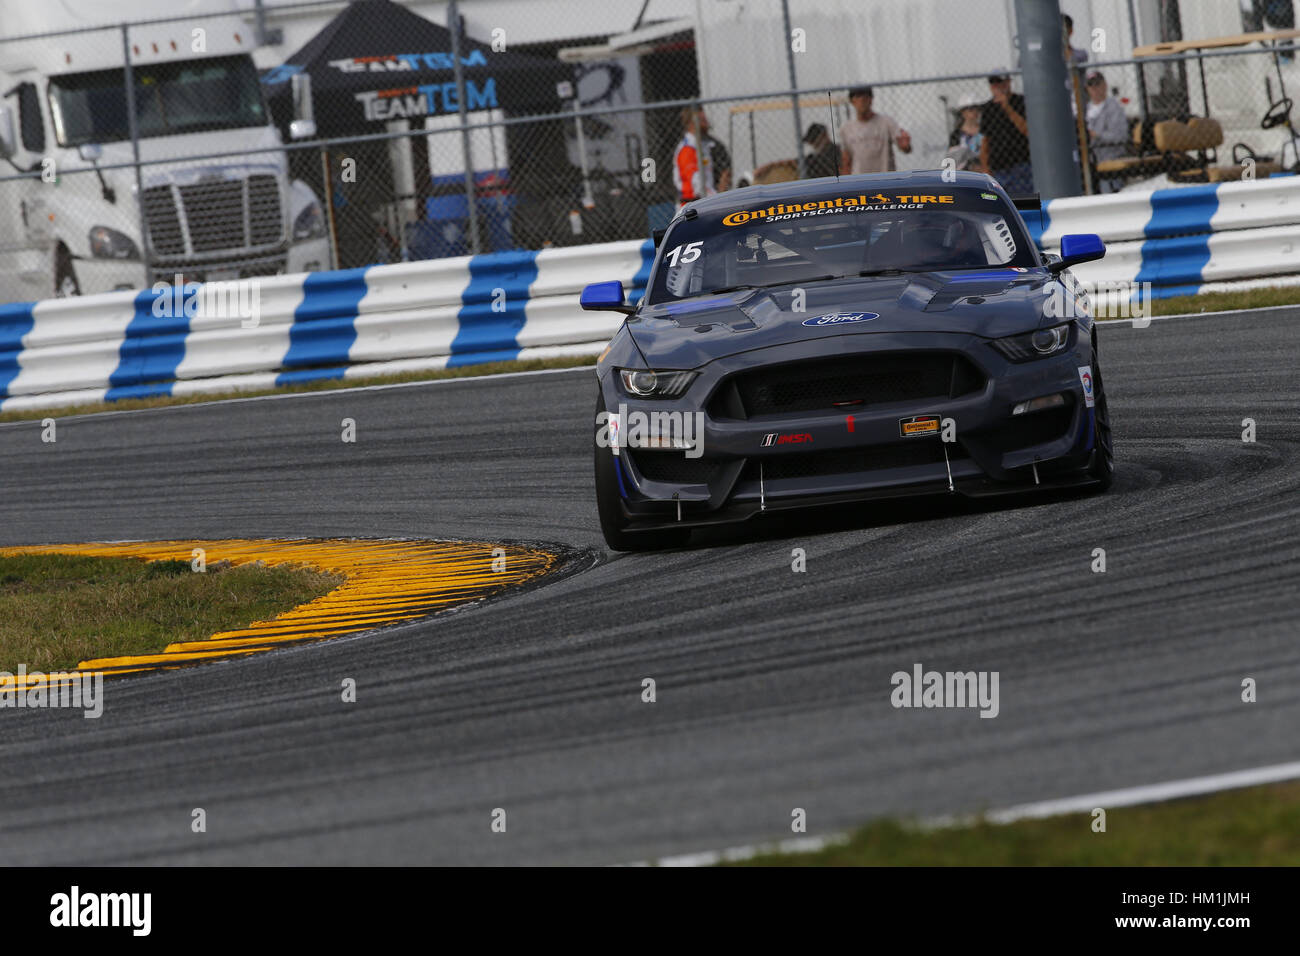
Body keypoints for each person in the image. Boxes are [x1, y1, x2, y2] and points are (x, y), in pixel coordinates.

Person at [839, 84, 911, 175]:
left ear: (871, 99)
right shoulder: (846, 129)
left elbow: (905, 147)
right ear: (852, 101)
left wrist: (905, 145)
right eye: (858, 97)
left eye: (865, 97)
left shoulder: (886, 122)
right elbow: (846, 160)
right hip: (860, 182)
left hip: (885, 180)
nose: (862, 100)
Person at [980, 73, 1033, 195]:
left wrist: (1007, 107)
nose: (997, 87)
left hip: (1021, 166)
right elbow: (985, 140)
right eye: (994, 84)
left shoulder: (1020, 102)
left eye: (1000, 83)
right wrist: (985, 168)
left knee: (1025, 205)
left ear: (1008, 83)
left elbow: (1027, 131)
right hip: (998, 169)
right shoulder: (988, 108)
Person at [673, 107, 731, 206]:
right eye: (703, 120)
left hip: (706, 201)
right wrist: (718, 199)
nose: (707, 124)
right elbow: (697, 184)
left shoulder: (703, 145)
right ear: (692, 123)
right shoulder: (687, 149)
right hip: (691, 206)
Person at [1083, 70, 1128, 193]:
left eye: (1098, 84)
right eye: (1091, 85)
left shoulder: (1114, 108)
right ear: (1087, 88)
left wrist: (1096, 135)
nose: (1095, 89)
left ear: (1105, 85)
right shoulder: (1084, 109)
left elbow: (1120, 136)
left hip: (1109, 159)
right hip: (1088, 161)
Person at [754, 122, 843, 182]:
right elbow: (794, 162)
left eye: (814, 140)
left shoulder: (834, 152)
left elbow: (794, 162)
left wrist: (771, 165)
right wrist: (771, 165)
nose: (812, 144)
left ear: (824, 136)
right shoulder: (814, 158)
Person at [946, 96, 986, 173]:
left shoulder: (985, 130)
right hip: (965, 173)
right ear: (962, 112)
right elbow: (953, 159)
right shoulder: (956, 135)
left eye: (977, 109)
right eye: (971, 109)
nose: (975, 112)